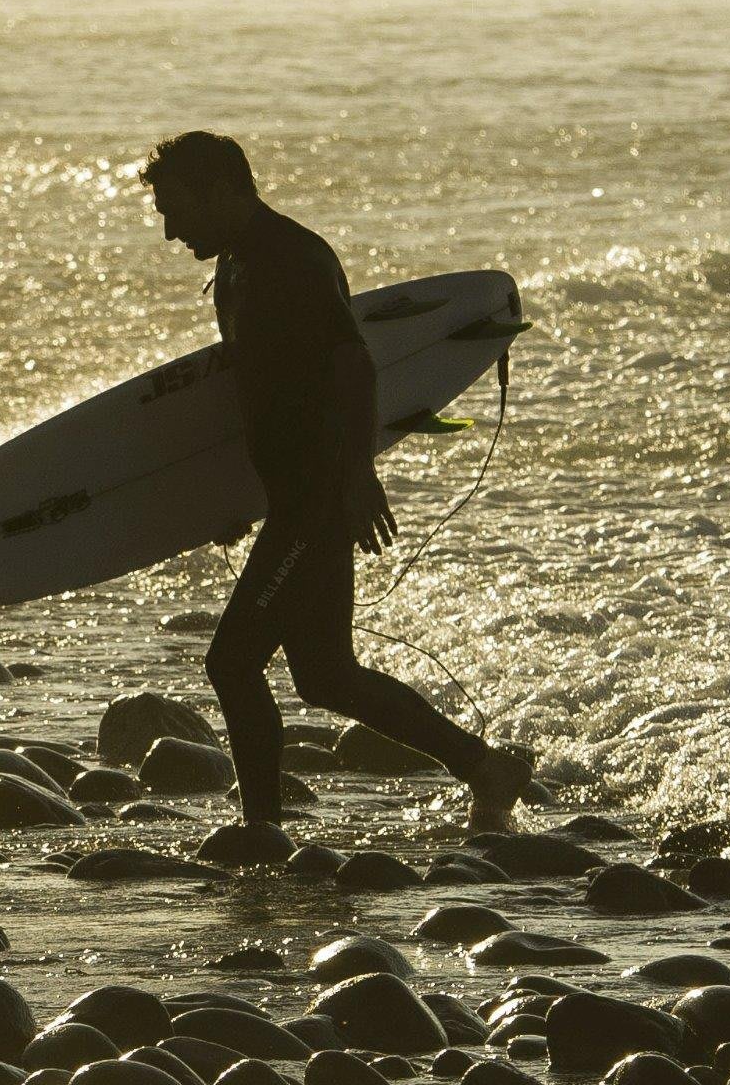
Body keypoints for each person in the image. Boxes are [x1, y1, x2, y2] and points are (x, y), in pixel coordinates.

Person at [141, 131, 530, 837]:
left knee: (232, 663)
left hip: (315, 499)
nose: (169, 230)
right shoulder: (236, 267)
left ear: (221, 189)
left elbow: (351, 369)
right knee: (326, 675)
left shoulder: (288, 260)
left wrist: (354, 475)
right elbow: (266, 396)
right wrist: (227, 500)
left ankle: (263, 829)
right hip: (292, 498)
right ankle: (484, 768)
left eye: (176, 209)